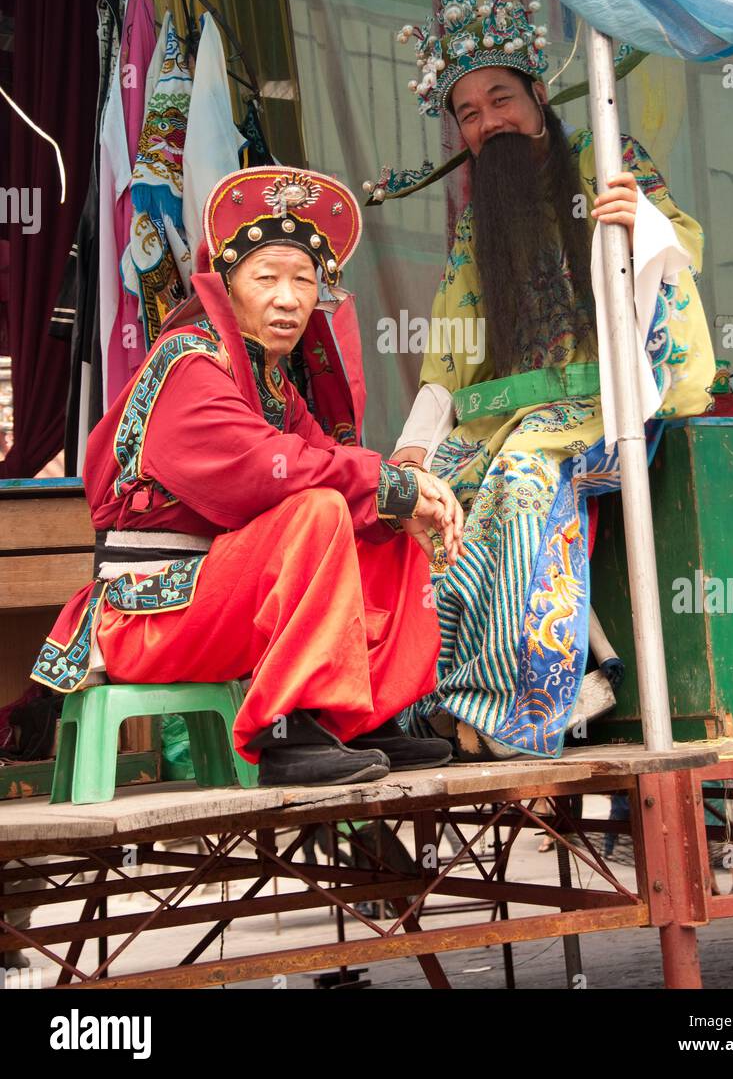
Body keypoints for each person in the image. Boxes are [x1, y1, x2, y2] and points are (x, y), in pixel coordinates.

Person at [32, 165, 465, 787]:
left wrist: (406, 499)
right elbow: (262, 470)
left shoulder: (273, 386)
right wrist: (389, 482)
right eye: (267, 278)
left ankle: (355, 717)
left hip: (212, 600)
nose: (288, 298)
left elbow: (337, 471)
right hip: (144, 615)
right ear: (227, 287)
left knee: (391, 527)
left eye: (304, 280)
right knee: (318, 510)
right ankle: (284, 731)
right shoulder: (189, 364)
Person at [390, 0, 715, 759]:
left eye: (499, 98)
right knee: (441, 493)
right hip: (516, 410)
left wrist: (638, 221)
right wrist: (413, 451)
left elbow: (681, 250)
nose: (486, 121)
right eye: (467, 113)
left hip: (618, 398)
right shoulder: (480, 217)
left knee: (524, 472)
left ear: (539, 96)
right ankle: (442, 695)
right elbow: (452, 344)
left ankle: (524, 702)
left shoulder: (608, 159)